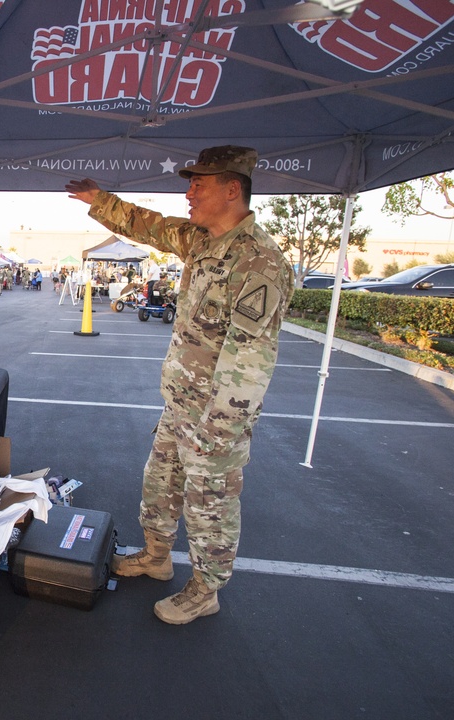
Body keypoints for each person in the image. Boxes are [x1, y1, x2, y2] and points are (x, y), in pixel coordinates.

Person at [66, 145, 295, 625]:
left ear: (232, 189)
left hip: (215, 416)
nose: (188, 192)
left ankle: (206, 589)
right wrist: (98, 198)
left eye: (199, 184)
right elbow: (148, 224)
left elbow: (250, 357)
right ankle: (156, 556)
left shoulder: (259, 261)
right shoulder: (201, 240)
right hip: (180, 405)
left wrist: (220, 430)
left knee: (209, 503)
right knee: (161, 483)